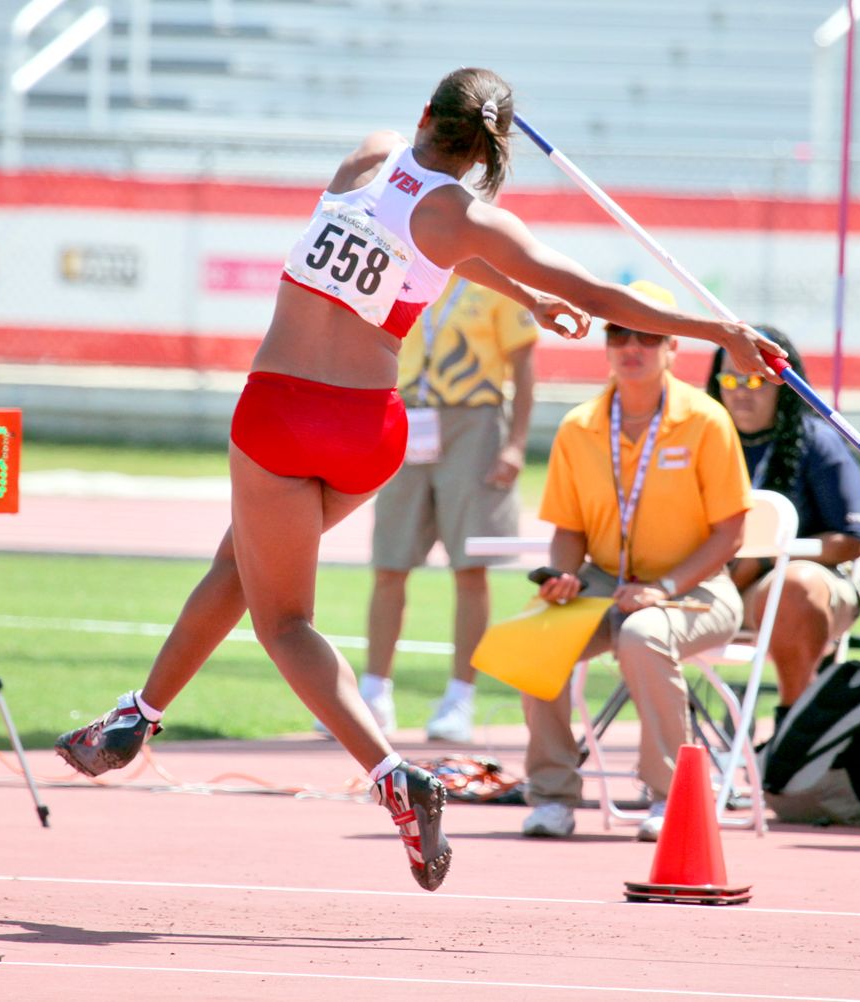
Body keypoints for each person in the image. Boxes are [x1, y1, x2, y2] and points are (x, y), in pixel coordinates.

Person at [52, 68, 784, 892]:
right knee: (243, 567)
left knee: (282, 619)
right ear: (485, 154)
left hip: (280, 410)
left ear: (426, 115)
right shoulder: (471, 219)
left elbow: (405, 239)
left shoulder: (367, 159)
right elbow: (577, 286)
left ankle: (390, 774)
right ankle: (137, 715)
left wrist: (553, 301)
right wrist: (713, 327)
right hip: (370, 428)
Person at [520, 280, 752, 843]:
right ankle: (551, 796)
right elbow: (568, 530)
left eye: (648, 335)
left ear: (672, 346)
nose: (632, 345)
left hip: (698, 589)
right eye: (619, 331)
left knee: (644, 635)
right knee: (534, 636)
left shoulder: (706, 420)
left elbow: (731, 533)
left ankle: (669, 796)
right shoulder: (579, 427)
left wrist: (664, 586)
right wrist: (562, 576)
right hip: (604, 583)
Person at [360, 274, 538, 742]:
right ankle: (374, 693)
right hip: (408, 416)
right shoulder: (409, 271)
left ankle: (461, 696)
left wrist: (516, 443)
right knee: (389, 561)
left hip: (473, 422)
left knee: (471, 566)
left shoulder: (498, 282)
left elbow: (523, 365)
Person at [704, 326, 860, 714]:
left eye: (755, 380)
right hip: (712, 585)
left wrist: (765, 559)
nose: (741, 391)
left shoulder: (817, 441)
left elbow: (849, 539)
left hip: (802, 585)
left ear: (782, 382)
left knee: (794, 588)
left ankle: (791, 732)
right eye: (729, 379)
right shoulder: (699, 440)